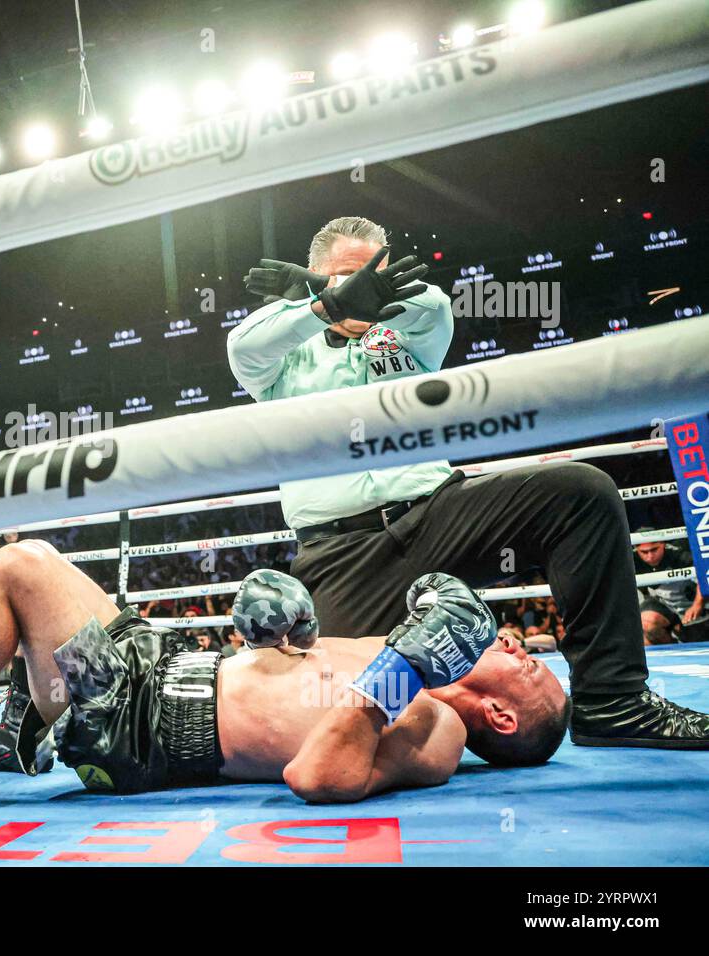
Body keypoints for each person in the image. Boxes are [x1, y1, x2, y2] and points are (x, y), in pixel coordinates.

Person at [227, 215, 708, 748]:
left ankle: (613, 702)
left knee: (581, 494)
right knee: (325, 713)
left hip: (439, 517)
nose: (364, 289)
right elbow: (242, 347)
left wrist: (349, 293)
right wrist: (324, 302)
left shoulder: (410, 332)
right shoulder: (284, 353)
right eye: (344, 274)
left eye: (375, 275)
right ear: (314, 274)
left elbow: (432, 303)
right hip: (341, 553)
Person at [0, 545, 566, 802]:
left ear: (501, 717)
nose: (518, 644)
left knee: (19, 570)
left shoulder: (436, 735)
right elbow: (295, 667)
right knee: (32, 580)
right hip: (153, 671)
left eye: (529, 665)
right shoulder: (412, 666)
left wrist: (402, 667)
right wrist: (290, 629)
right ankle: (17, 728)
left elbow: (316, 773)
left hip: (136, 726)